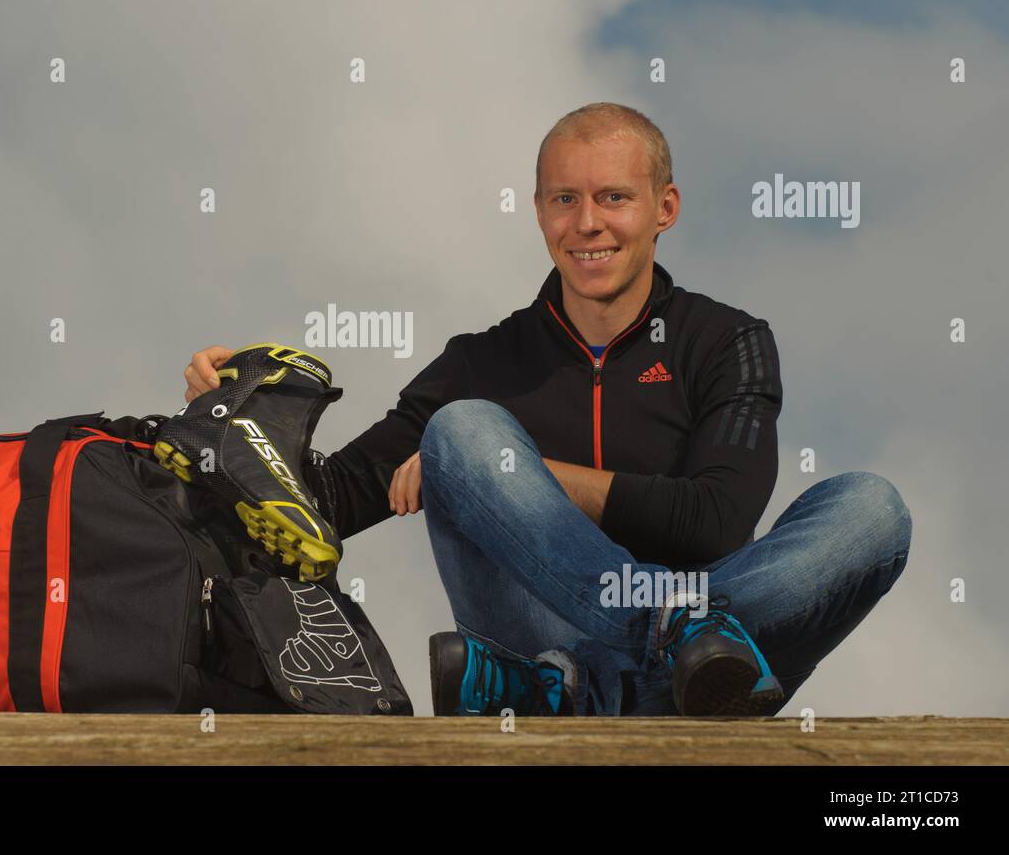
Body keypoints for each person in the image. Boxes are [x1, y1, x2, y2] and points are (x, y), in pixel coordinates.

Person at [180, 102, 912, 717]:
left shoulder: (729, 341)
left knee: (872, 509)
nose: (587, 223)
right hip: (583, 646)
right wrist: (240, 420)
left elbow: (716, 519)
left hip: (624, 681)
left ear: (665, 209)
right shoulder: (481, 362)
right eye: (566, 199)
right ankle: (661, 644)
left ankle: (603, 683)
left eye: (614, 198)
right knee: (462, 429)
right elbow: (328, 503)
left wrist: (530, 476)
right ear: (538, 212)